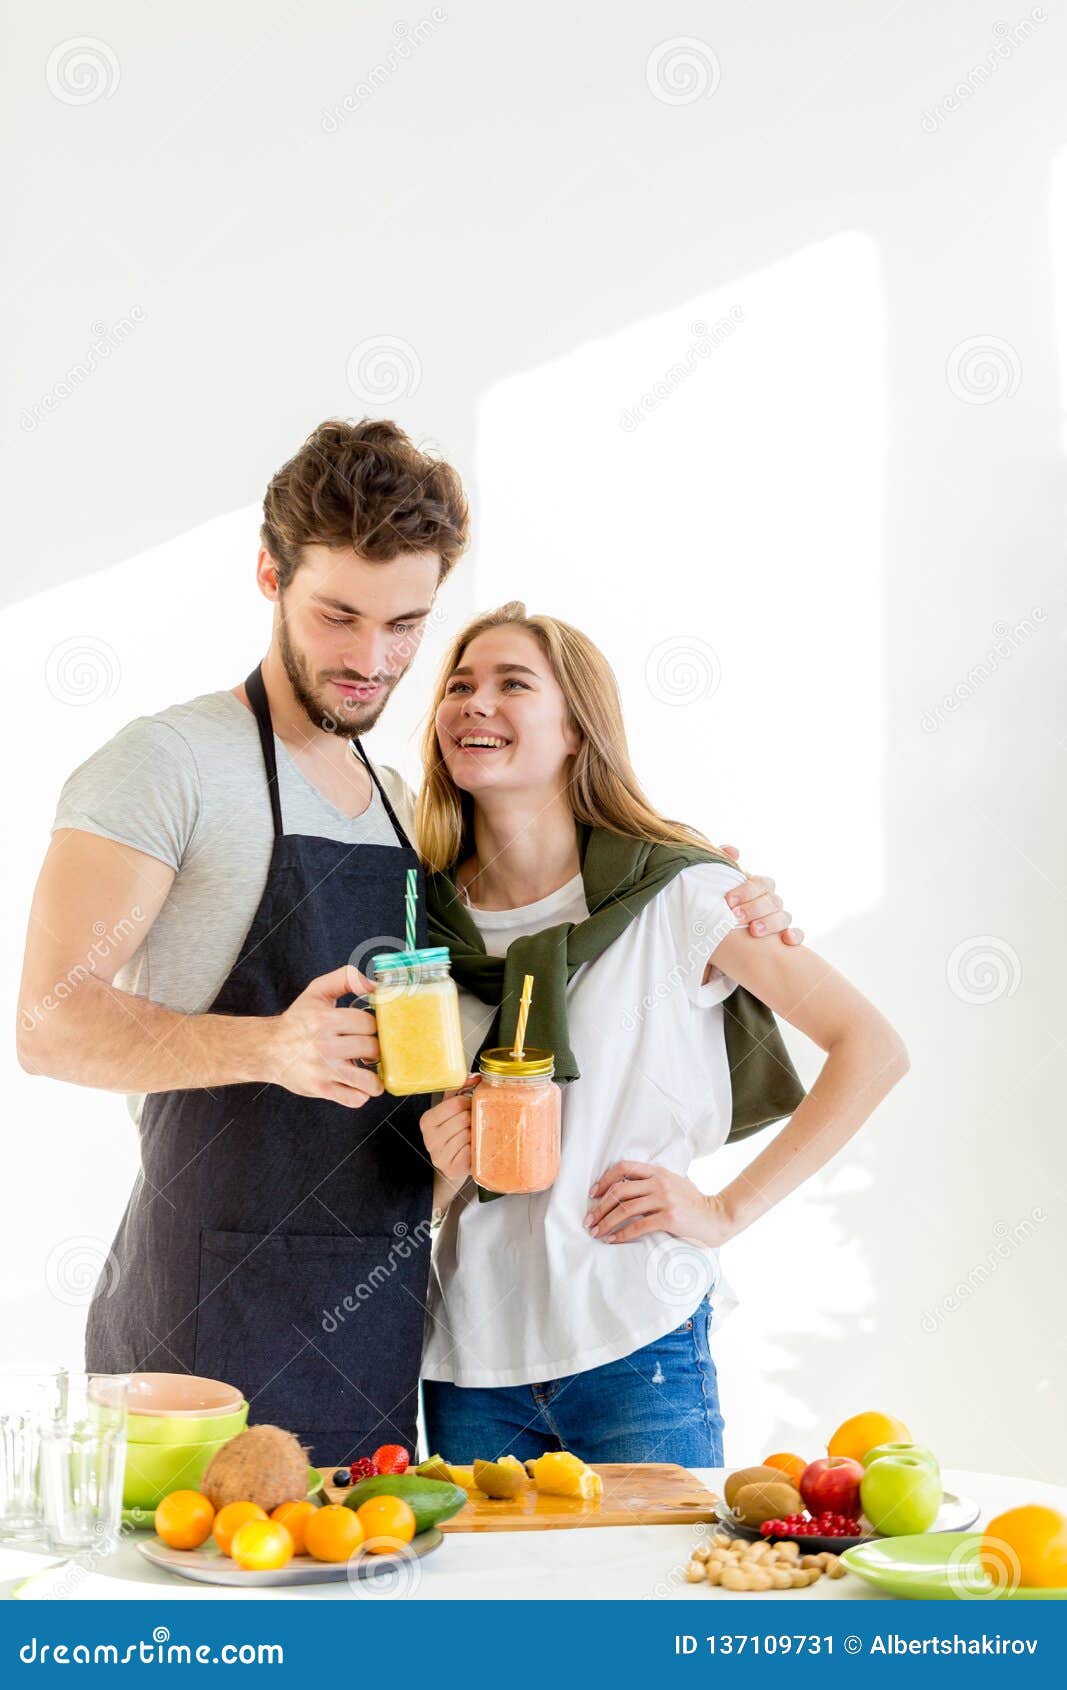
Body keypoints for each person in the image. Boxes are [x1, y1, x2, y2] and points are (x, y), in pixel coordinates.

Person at [16, 420, 797, 1467]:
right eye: (338, 614)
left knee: (367, 1618)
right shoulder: (168, 764)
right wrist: (266, 1048)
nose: (370, 659)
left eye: (404, 625)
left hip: (382, 1332)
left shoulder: (401, 811)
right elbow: (47, 1020)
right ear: (267, 573)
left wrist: (708, 880)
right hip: (201, 1318)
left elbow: (549, 885)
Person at [416, 603, 909, 1466]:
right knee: (488, 1610)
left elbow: (870, 1047)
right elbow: (414, 1188)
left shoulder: (679, 894)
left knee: (661, 1604)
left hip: (634, 1342)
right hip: (465, 1361)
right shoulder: (420, 926)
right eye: (458, 685)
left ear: (575, 729)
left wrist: (724, 1210)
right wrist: (436, 1166)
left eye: (511, 684)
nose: (473, 703)